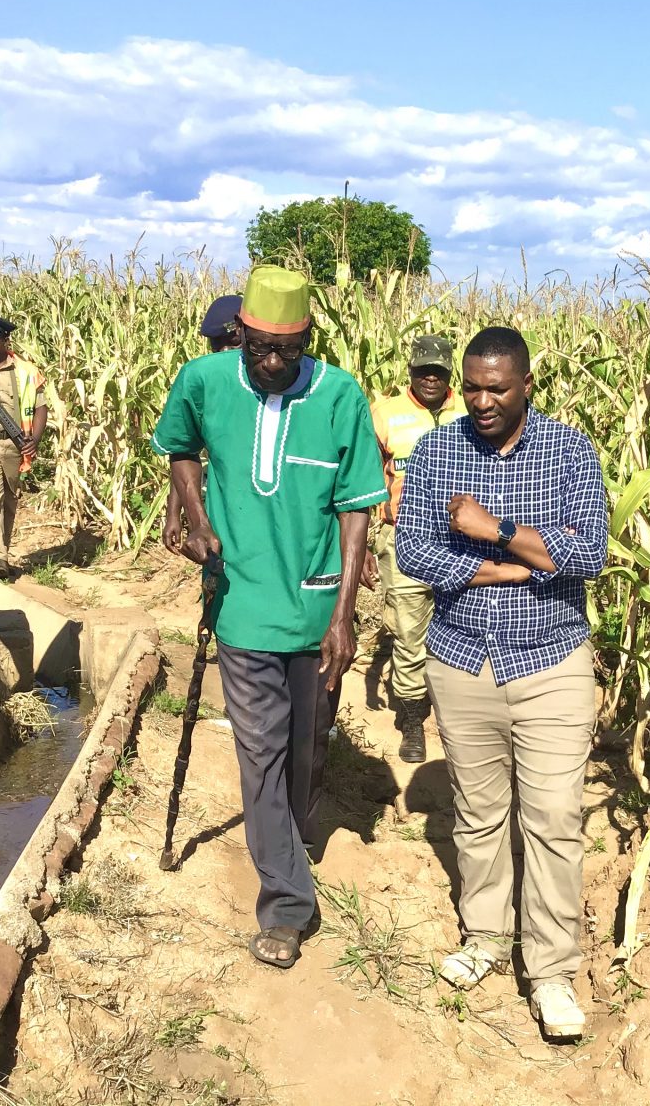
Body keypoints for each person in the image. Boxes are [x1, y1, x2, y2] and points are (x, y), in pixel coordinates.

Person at [152, 267, 385, 971]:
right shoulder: (204, 381)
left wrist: (343, 616)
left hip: (315, 607)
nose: (272, 363)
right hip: (241, 604)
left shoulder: (340, 396)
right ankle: (287, 903)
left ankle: (294, 833)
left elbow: (355, 509)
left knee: (306, 744)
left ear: (307, 339)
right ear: (241, 336)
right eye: (259, 348)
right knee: (260, 751)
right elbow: (181, 447)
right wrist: (195, 519)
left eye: (286, 350)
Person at [395, 325, 608, 1042]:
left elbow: (588, 553)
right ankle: (486, 938)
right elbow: (416, 547)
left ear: (525, 386)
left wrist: (495, 530)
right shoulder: (437, 449)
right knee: (479, 812)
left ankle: (551, 973)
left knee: (552, 818)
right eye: (473, 386)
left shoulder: (569, 450)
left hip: (550, 663)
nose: (482, 401)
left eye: (498, 389)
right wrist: (511, 566)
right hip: (461, 660)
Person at [367, 333, 464, 762]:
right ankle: (412, 722)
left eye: (438, 372)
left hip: (463, 543)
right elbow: (364, 478)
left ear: (449, 375)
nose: (430, 378)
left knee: (463, 629)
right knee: (409, 634)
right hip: (404, 538)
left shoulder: (470, 410)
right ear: (410, 370)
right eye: (423, 370)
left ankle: (459, 717)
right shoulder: (386, 414)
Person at [161, 293, 244, 555]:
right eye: (217, 347)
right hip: (220, 510)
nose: (224, 355)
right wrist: (174, 514)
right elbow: (184, 450)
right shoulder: (205, 384)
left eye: (231, 346)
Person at [0, 309, 47, 580]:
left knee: (9, 499)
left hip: (15, 444)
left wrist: (34, 441)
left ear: (5, 342)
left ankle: (1, 551)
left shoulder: (27, 373)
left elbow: (41, 408)